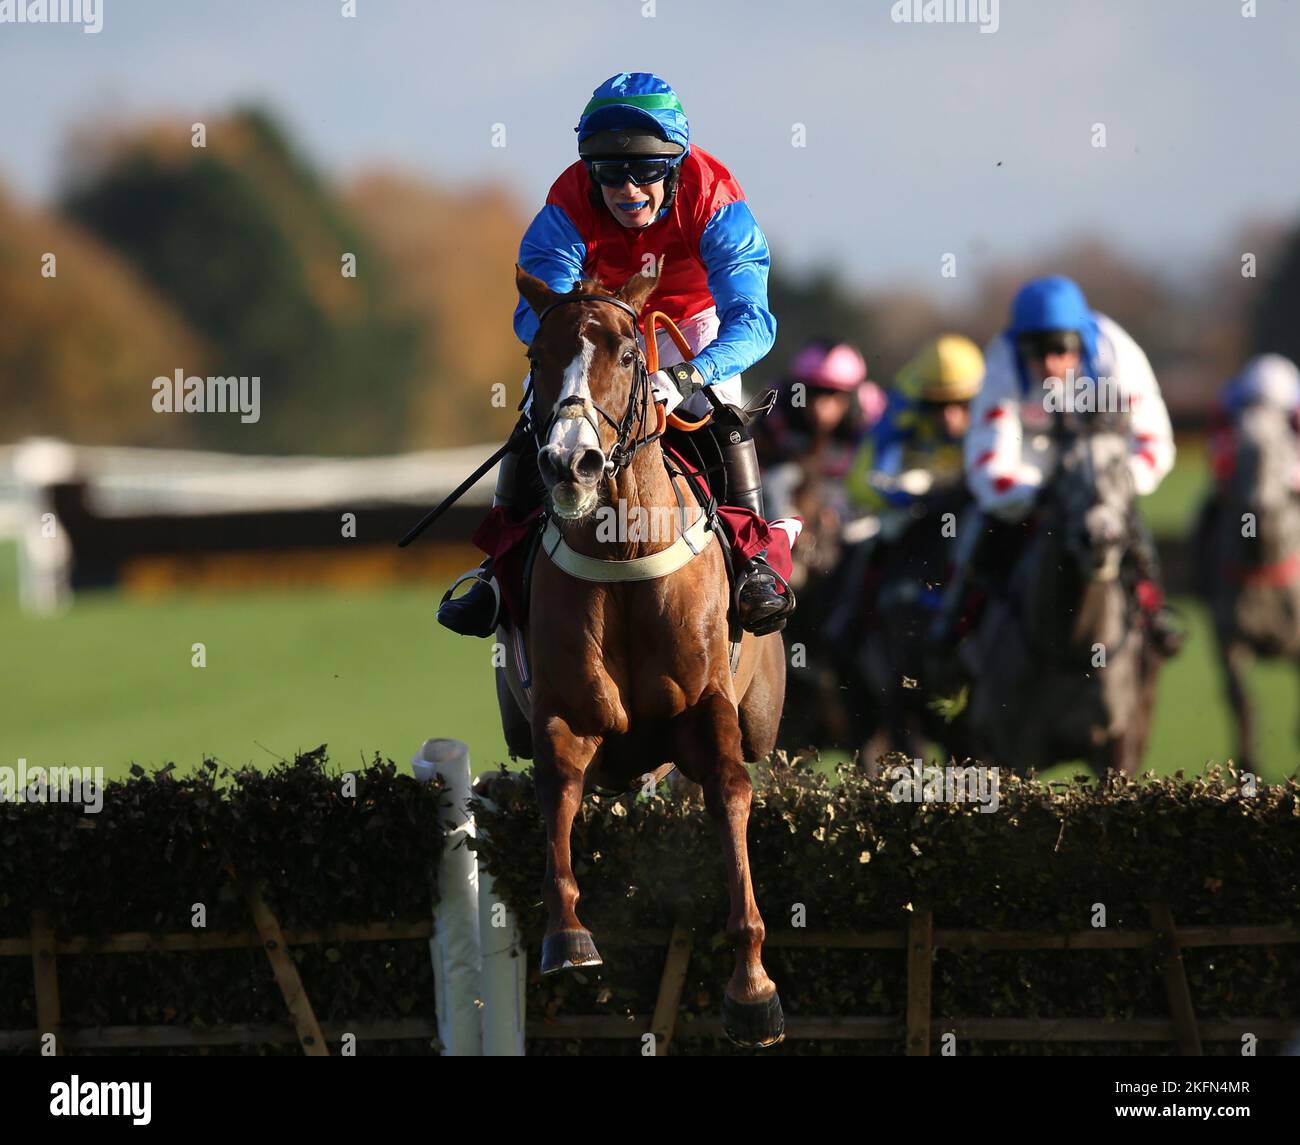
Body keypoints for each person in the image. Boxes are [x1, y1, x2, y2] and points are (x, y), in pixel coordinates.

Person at [437, 71, 793, 637]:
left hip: (692, 331)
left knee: (724, 417)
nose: (628, 190)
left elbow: (753, 323)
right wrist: (589, 348)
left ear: (674, 165)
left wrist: (690, 374)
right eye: (609, 172)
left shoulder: (717, 200)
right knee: (539, 415)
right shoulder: (567, 201)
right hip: (602, 334)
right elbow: (540, 311)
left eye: (647, 171)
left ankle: (755, 564)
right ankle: (495, 575)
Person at [927, 275, 1183, 655]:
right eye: (1035, 349)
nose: (1048, 362)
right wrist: (1030, 496)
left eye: (1060, 348)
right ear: (1018, 344)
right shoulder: (1001, 363)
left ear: (1080, 341)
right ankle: (957, 617)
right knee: (981, 524)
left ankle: (1152, 608)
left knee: (1124, 519)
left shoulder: (1117, 355)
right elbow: (988, 459)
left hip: (1097, 460)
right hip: (1033, 457)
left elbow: (1152, 442)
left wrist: (1118, 485)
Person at [822, 334, 984, 647]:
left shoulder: (994, 396)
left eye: (960, 405)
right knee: (873, 534)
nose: (950, 418)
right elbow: (861, 478)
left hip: (970, 483)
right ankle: (849, 621)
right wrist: (895, 496)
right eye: (938, 406)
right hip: (919, 483)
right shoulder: (903, 401)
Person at [758, 339, 881, 521]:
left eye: (834, 394)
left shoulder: (868, 419)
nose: (821, 404)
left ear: (851, 396)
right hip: (789, 494)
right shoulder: (778, 411)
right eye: (813, 392)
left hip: (844, 501)